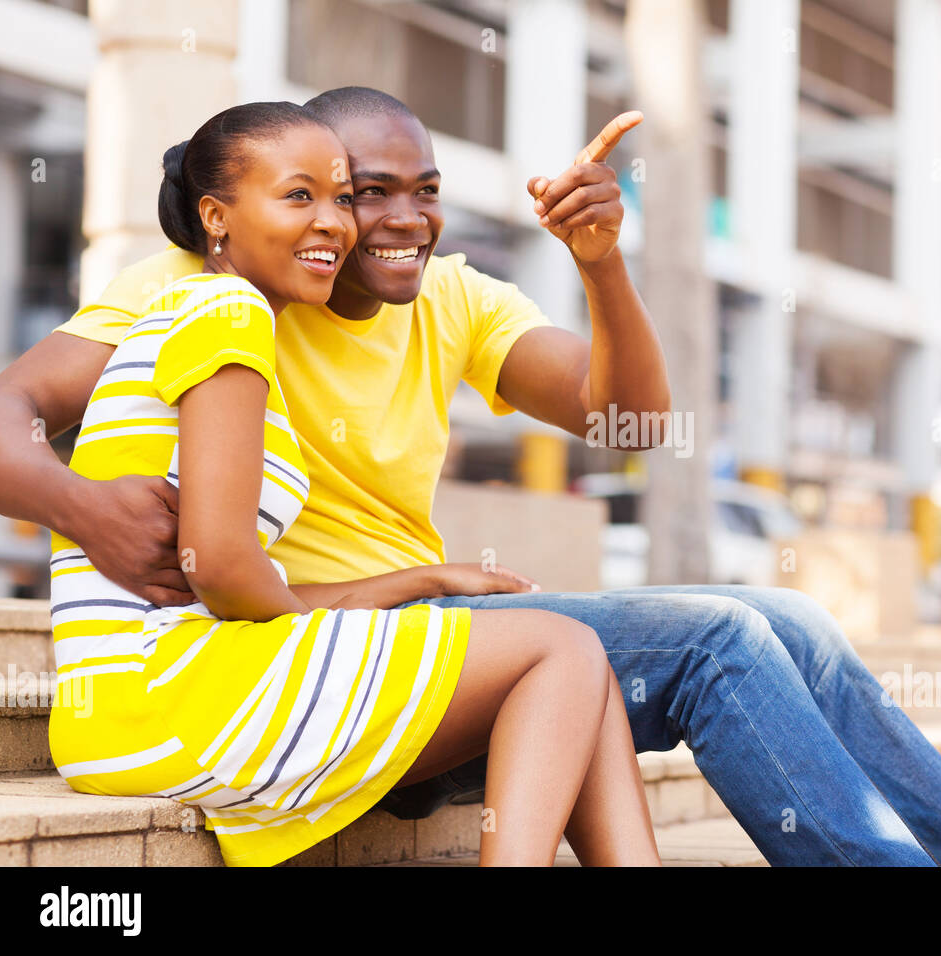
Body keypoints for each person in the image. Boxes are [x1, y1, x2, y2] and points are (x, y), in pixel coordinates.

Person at [0, 86, 941, 866]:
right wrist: (80, 506)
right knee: (719, 639)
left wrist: (598, 262)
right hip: (313, 666)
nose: (394, 220)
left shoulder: (449, 298)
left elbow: (631, 417)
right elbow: (8, 413)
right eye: (358, 195)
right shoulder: (205, 289)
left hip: (418, 643)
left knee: (794, 622)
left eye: (425, 193)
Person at [44, 100, 660, 868]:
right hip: (158, 697)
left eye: (341, 198)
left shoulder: (212, 314)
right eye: (299, 197)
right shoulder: (226, 311)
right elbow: (229, 571)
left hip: (135, 708)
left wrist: (421, 577)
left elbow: (228, 574)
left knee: (582, 664)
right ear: (217, 217)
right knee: (561, 649)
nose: (335, 223)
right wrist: (397, 591)